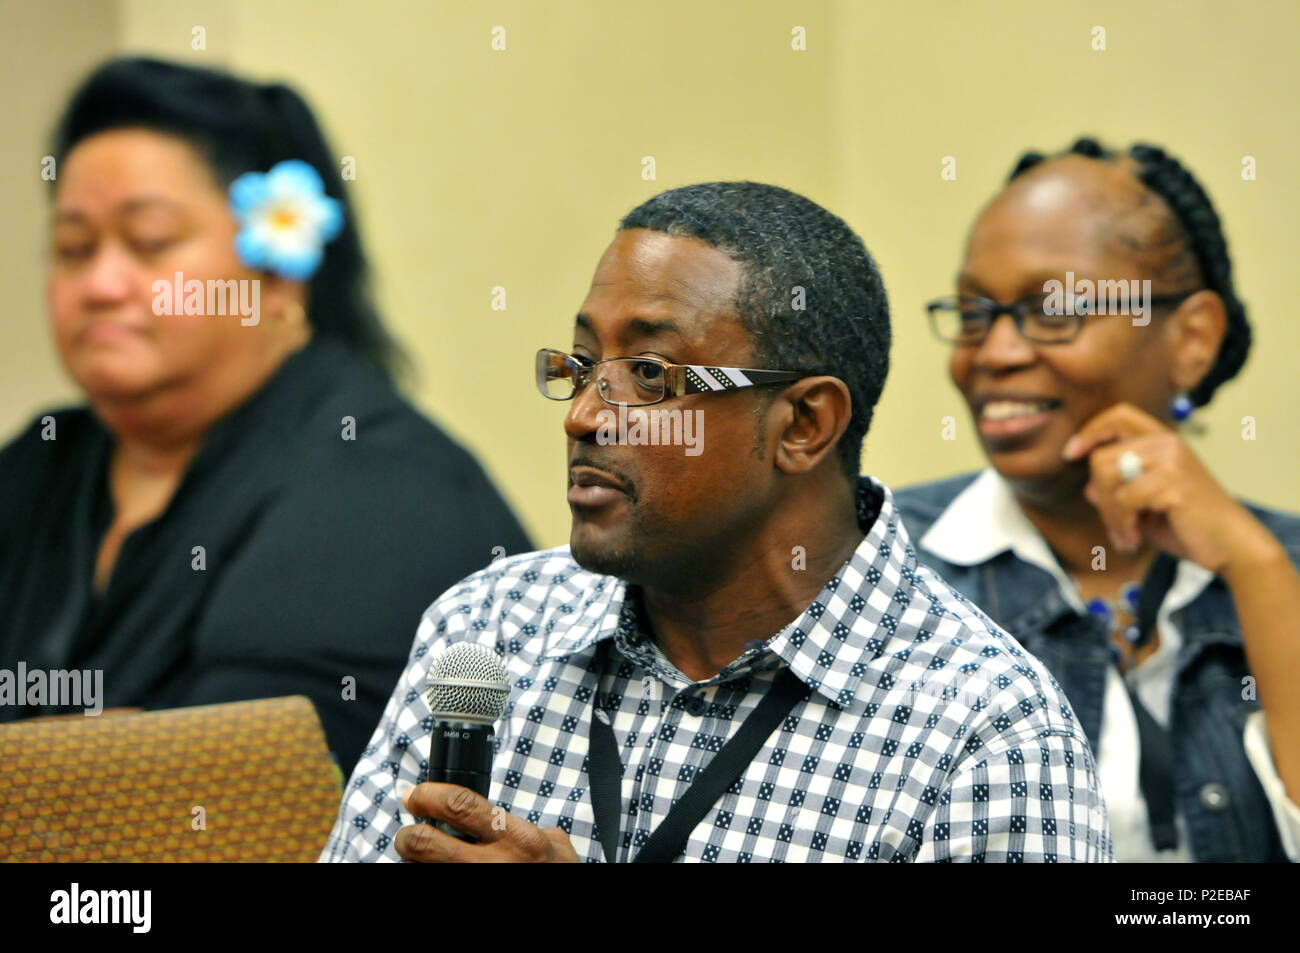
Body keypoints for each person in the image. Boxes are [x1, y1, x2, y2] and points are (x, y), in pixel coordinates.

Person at [321, 181, 1112, 863]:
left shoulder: (985, 733)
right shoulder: (491, 628)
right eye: (582, 365)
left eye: (650, 375)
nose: (588, 415)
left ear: (803, 424)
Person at [0, 58, 531, 775]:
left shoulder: (380, 491)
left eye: (150, 240)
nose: (99, 283)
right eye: (74, 248)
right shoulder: (44, 459)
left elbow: (213, 798)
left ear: (280, 270)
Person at [895, 138, 1300, 862]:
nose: (994, 352)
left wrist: (1256, 568)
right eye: (974, 310)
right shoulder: (884, 564)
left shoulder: (1280, 564)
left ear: (1191, 338)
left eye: (1053, 309)